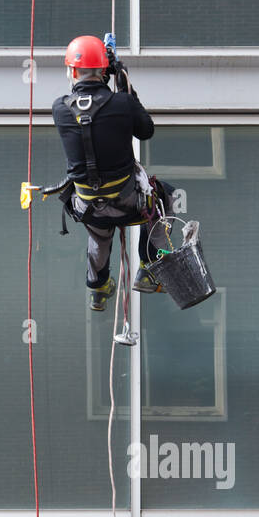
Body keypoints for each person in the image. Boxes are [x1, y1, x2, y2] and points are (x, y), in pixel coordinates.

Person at [51, 35, 172, 311]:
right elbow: (146, 130)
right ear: (104, 70)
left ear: (72, 71)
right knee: (163, 197)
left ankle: (98, 288)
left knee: (100, 235)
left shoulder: (60, 108)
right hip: (127, 200)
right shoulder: (122, 103)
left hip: (87, 204)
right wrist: (125, 85)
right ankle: (151, 267)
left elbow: (90, 119)